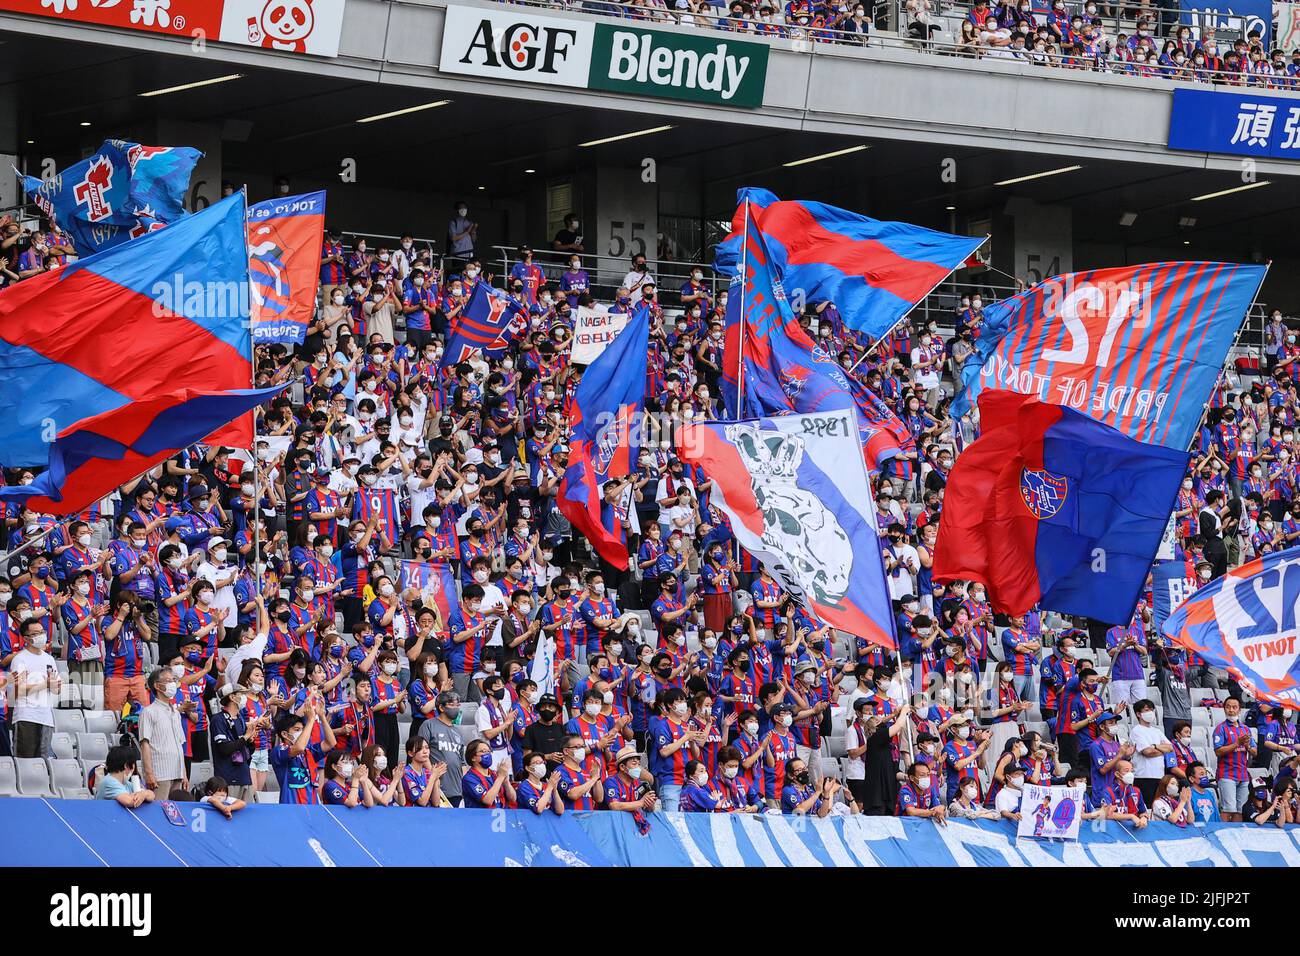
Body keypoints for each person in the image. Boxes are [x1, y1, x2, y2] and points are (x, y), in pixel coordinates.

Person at [9, 617, 60, 757]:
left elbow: (56, 688)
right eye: (35, 633)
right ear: (26, 638)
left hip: (46, 717)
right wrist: (45, 684)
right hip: (26, 716)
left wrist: (55, 686)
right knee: (25, 762)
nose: (41, 636)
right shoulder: (20, 659)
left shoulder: (49, 659)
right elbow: (18, 691)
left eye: (42, 631)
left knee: (42, 763)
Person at [138, 666, 187, 798]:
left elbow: (179, 744)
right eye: (168, 680)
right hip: (160, 773)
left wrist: (184, 774)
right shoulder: (148, 712)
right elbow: (145, 744)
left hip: (177, 772)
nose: (172, 684)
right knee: (159, 810)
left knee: (175, 812)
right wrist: (149, 773)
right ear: (157, 686)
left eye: (173, 680)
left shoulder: (176, 713)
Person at [418, 690, 467, 807]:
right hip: (437, 789)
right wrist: (433, 776)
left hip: (457, 790)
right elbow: (421, 754)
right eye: (451, 705)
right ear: (441, 707)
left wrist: (465, 786)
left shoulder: (458, 731)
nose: (456, 708)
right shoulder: (428, 725)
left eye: (457, 705)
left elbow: (462, 762)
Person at [1213, 696, 1256, 821]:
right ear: (1224, 709)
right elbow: (1218, 751)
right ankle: (1221, 836)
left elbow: (1254, 752)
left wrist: (1247, 745)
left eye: (1234, 707)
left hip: (1243, 775)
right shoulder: (1220, 728)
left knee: (1240, 810)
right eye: (1228, 707)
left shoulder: (1246, 729)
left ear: (1239, 710)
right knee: (1228, 809)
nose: (1231, 710)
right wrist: (1237, 743)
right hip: (1226, 775)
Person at [1129, 698, 1172, 806]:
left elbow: (1170, 748)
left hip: (1159, 776)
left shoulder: (1157, 731)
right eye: (1147, 710)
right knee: (1147, 808)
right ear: (1138, 714)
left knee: (1158, 807)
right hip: (1143, 776)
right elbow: (1147, 752)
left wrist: (1155, 746)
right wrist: (1162, 750)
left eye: (1152, 710)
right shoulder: (1136, 730)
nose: (1150, 713)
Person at [95, 744, 156, 808]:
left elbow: (152, 795)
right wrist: (141, 796)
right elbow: (130, 801)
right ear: (126, 766)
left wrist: (144, 794)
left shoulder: (126, 783)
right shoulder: (108, 781)